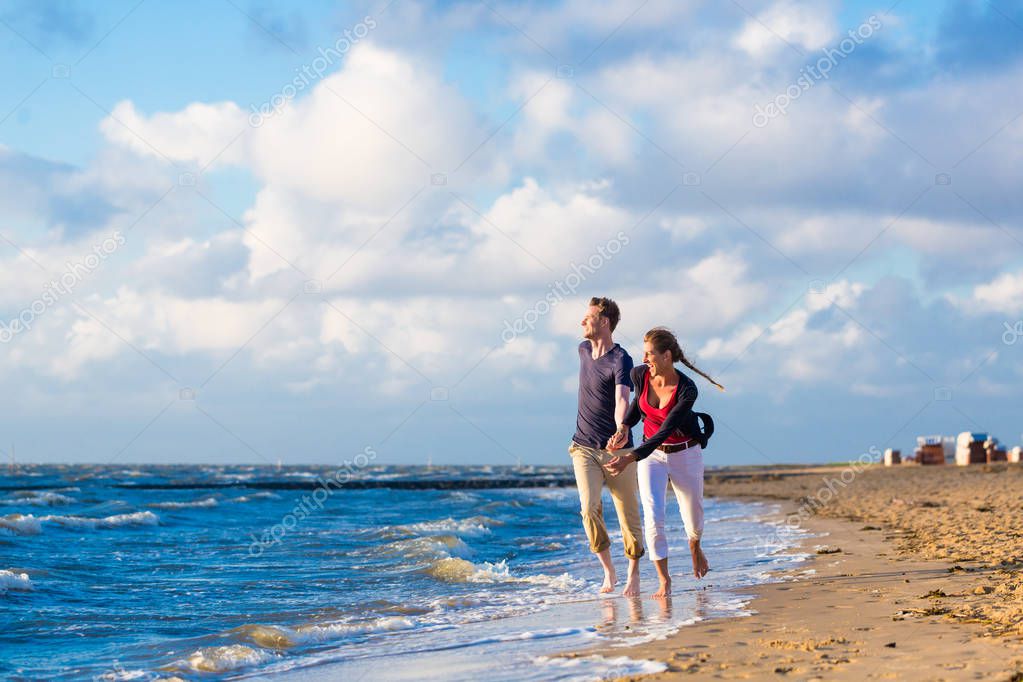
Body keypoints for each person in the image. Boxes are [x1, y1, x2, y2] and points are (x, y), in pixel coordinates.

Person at [605, 327, 724, 599]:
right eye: (644, 354)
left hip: (685, 452)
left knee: (692, 514)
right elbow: (638, 407)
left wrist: (630, 457)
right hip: (653, 456)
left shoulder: (687, 389)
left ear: (667, 356)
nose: (645, 359)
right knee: (653, 516)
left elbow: (666, 428)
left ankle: (695, 546)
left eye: (650, 354)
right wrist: (623, 428)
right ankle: (664, 580)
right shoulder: (640, 375)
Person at [568, 297, 645, 597]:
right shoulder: (583, 350)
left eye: (588, 317)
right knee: (589, 509)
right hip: (583, 446)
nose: (582, 322)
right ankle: (608, 571)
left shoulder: (621, 359)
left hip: (618, 451)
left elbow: (622, 398)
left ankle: (633, 573)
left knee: (628, 514)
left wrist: (621, 428)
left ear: (605, 321)